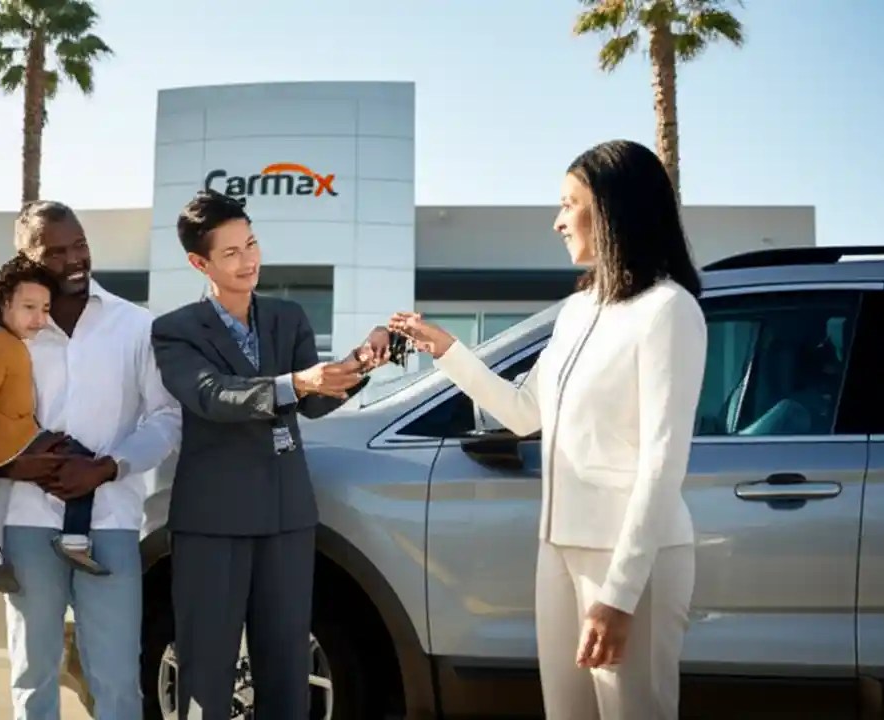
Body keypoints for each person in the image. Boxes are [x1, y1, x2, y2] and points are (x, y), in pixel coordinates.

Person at [389, 139, 706, 720]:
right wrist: (448, 351)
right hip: (557, 549)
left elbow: (663, 459)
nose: (558, 221)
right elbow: (524, 413)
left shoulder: (668, 310)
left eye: (569, 203)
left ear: (612, 209)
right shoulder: (578, 311)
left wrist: (619, 594)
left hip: (630, 558)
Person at [150, 190, 392, 719]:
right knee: (206, 669)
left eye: (252, 243)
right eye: (232, 252)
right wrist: (295, 383)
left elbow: (317, 405)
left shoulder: (288, 317)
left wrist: (364, 359)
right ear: (200, 263)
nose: (249, 259)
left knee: (286, 665)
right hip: (212, 521)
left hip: (286, 516)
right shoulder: (175, 330)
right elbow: (213, 396)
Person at [0, 200, 182, 719]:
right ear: (26, 258)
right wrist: (26, 464)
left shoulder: (135, 326)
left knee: (117, 677)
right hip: (24, 522)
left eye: (80, 245)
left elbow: (166, 418)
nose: (74, 259)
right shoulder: (3, 336)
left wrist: (106, 467)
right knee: (34, 675)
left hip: (112, 522)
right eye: (55, 251)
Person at [0, 254, 106, 591]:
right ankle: (75, 540)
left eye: (45, 309)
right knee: (83, 462)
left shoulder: (6, 341)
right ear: (2, 303)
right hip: (11, 446)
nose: (40, 319)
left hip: (16, 438)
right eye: (29, 308)